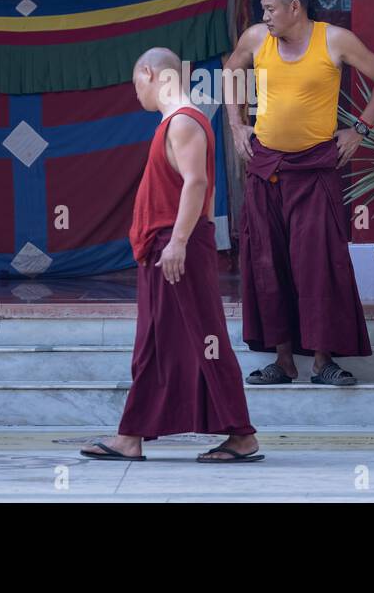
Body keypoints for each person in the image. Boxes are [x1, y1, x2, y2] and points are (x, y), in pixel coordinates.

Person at [81, 47, 262, 463]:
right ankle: (133, 434)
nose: (135, 95)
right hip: (167, 247)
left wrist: (178, 242)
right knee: (156, 342)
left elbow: (196, 184)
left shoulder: (182, 122)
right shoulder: (177, 121)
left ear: (149, 73)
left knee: (205, 335)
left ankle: (242, 436)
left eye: (135, 84)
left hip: (177, 248)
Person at [225, 0, 374, 386]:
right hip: (266, 168)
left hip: (316, 167)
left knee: (318, 263)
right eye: (263, 9)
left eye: (271, 9)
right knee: (269, 262)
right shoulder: (255, 39)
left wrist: (359, 129)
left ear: (295, 8)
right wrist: (236, 124)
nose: (264, 16)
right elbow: (231, 70)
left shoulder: (335, 40)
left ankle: (323, 361)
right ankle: (282, 360)